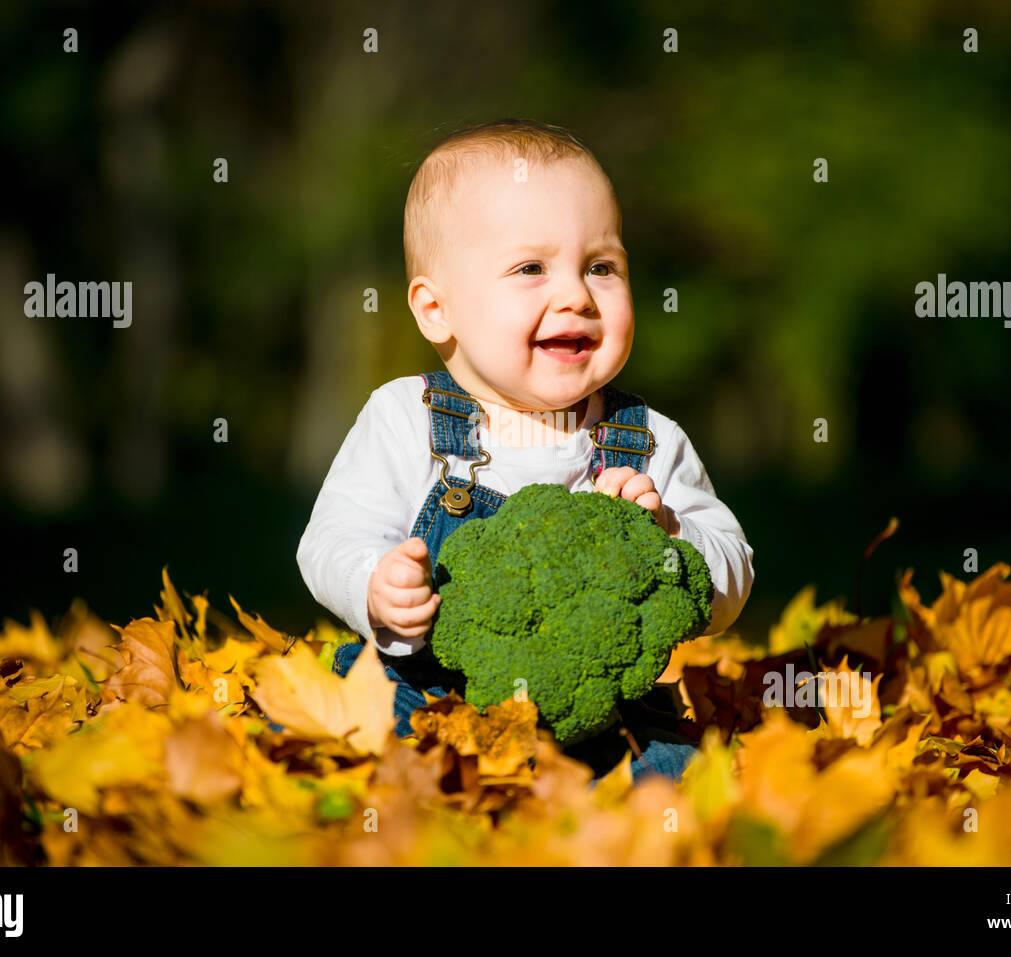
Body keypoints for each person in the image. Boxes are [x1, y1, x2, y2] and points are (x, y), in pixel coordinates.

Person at [297, 118, 755, 785]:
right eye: (530, 268)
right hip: (428, 698)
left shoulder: (647, 439)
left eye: (601, 266)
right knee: (332, 736)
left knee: (672, 773)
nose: (576, 295)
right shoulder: (406, 419)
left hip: (596, 719)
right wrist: (374, 584)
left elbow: (734, 572)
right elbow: (330, 536)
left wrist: (671, 541)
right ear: (436, 310)